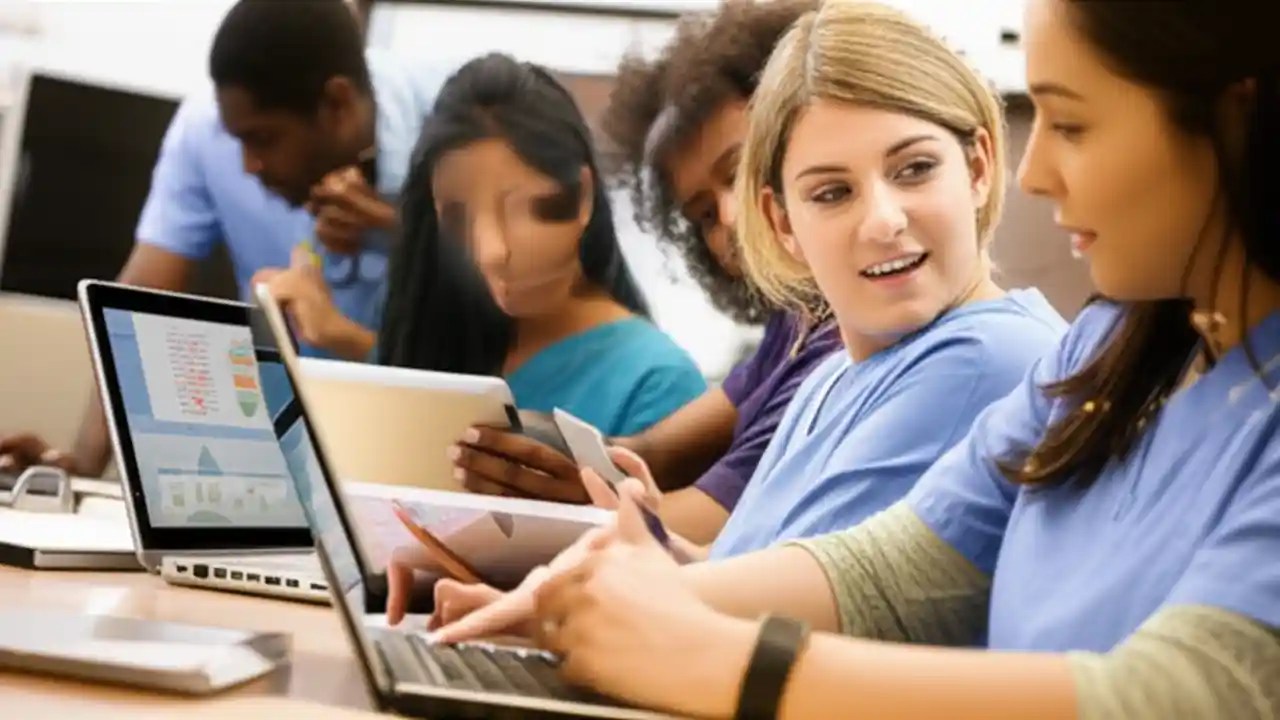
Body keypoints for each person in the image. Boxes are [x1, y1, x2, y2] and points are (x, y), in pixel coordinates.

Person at [459, 2, 1280, 717]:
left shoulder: (992, 356)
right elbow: (896, 572)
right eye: (830, 192)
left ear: (1233, 122)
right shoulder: (1101, 351)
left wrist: (702, 649)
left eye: (1070, 123)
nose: (1035, 173)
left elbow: (1192, 698)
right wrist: (571, 607)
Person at [401, 0, 1071, 628]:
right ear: (781, 222)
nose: (884, 221)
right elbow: (741, 573)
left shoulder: (984, 357)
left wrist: (550, 601)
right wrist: (625, 545)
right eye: (832, 192)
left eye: (915, 168)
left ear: (980, 166)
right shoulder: (834, 377)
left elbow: (775, 618)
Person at [444, 0, 841, 541]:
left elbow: (708, 523)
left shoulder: (839, 346)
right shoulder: (797, 325)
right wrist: (519, 445)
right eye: (702, 213)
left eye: (739, 171)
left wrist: (576, 493)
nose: (728, 216)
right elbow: (653, 450)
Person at [0, 0, 435, 478]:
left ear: (337, 104)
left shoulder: (447, 125)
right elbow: (138, 307)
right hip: (285, 460)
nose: (248, 165)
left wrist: (405, 234)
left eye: (264, 140)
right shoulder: (208, 130)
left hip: (415, 460)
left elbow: (500, 339)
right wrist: (79, 471)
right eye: (240, 141)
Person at [377, 52, 705, 438]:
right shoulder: (438, 336)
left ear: (581, 195)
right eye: (459, 218)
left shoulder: (657, 385)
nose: (491, 252)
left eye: (518, 208)